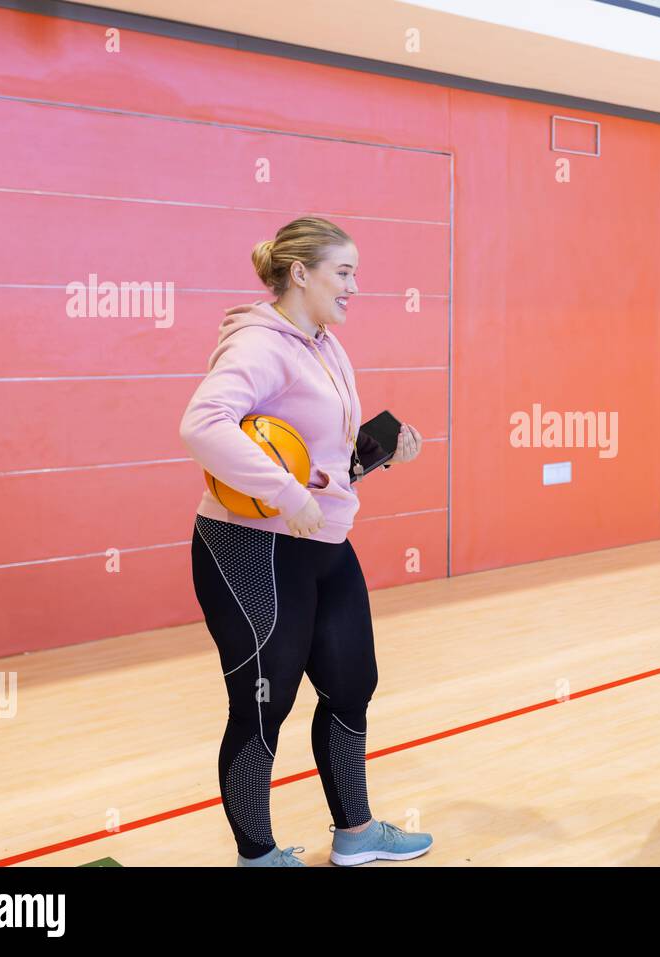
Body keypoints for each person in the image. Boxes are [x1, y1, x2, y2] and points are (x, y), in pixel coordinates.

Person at [180, 216, 431, 866]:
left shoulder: (324, 344)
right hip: (252, 548)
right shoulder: (259, 344)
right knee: (265, 701)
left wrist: (383, 453)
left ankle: (355, 832)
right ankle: (257, 855)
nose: (354, 286)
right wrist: (288, 494)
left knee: (352, 683)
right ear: (301, 273)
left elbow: (319, 458)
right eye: (343, 272)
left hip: (321, 540)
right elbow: (203, 424)